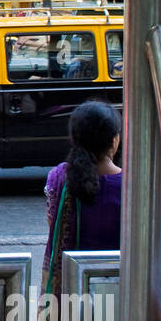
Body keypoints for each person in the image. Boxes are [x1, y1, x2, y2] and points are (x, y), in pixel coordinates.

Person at [40, 101, 123, 302]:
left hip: (68, 291)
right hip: (114, 291)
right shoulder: (131, 187)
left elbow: (52, 222)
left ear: (73, 139)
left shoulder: (58, 177)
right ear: (114, 140)